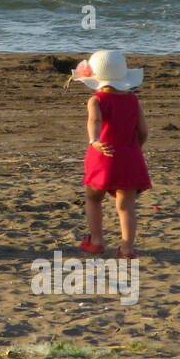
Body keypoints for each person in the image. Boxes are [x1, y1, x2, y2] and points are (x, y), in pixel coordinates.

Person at [70, 50, 151, 257]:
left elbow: (94, 121)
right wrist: (135, 148)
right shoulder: (133, 100)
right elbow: (143, 132)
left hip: (103, 156)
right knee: (126, 206)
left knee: (93, 197)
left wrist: (94, 140)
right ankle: (127, 248)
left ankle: (96, 240)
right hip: (129, 156)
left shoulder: (96, 100)